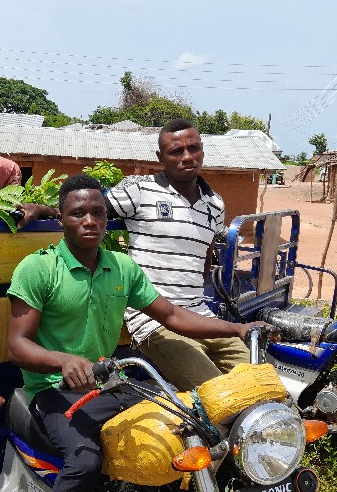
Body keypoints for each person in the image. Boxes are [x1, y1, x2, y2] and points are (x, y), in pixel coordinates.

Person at [7, 174, 261, 492]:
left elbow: (173, 315)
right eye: (78, 213)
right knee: (84, 460)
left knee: (193, 424)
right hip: (53, 391)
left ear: (107, 217)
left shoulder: (120, 267)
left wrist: (237, 328)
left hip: (110, 384)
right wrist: (63, 361)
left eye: (97, 212)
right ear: (61, 219)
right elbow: (17, 344)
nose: (89, 221)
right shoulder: (38, 268)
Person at [106, 118, 249, 391]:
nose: (187, 157)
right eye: (176, 151)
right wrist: (44, 210)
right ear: (160, 157)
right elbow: (88, 211)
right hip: (155, 322)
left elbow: (205, 255)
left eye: (193, 148)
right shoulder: (139, 191)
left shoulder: (215, 204)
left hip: (202, 316)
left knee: (261, 381)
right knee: (218, 394)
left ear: (202, 150)